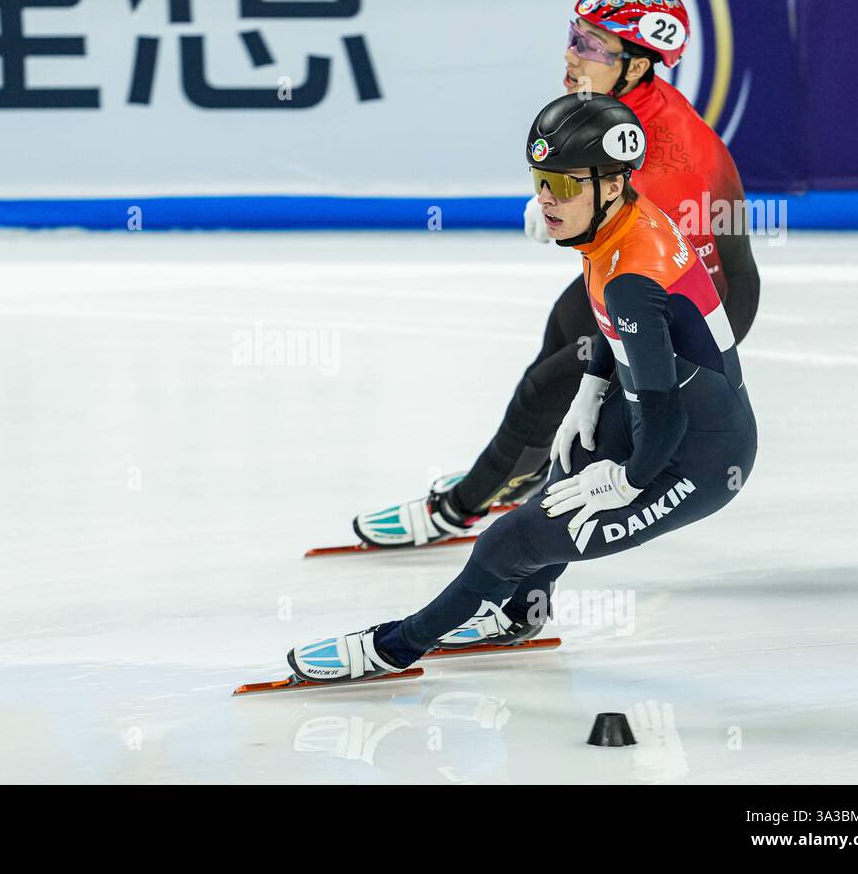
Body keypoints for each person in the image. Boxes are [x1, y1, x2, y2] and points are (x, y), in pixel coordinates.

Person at [287, 93, 756, 684]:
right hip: (669, 410)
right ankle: (519, 612)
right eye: (540, 181)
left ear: (610, 184)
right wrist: (591, 386)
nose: (545, 201)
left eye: (562, 186)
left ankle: (396, 648)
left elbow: (663, 417)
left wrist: (629, 480)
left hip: (698, 454)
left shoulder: (635, 274)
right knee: (568, 461)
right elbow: (639, 344)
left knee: (508, 541)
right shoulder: (622, 222)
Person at [351, 0, 760, 643]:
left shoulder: (670, 160)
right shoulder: (622, 108)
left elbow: (664, 271)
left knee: (572, 405)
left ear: (639, 61)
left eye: (594, 45)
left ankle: (471, 506)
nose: (573, 55)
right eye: (576, 35)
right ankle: (516, 488)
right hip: (630, 263)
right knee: (554, 365)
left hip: (685, 290)